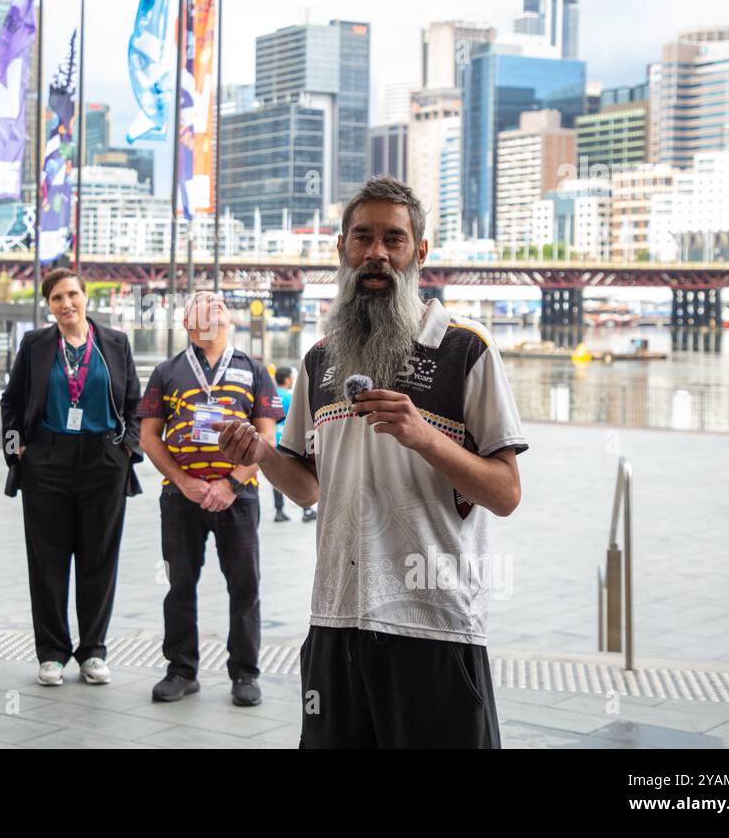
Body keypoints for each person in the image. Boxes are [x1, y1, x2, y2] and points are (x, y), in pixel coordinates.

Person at [218, 175, 527, 748]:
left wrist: (423, 436)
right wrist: (260, 453)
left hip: (433, 623)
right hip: (335, 619)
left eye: (394, 239)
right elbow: (307, 488)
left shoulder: (466, 348)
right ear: (342, 249)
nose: (376, 253)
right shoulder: (321, 359)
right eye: (362, 237)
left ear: (420, 253)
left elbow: (506, 492)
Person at [0, 268, 142, 687]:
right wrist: (15, 447)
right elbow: (11, 402)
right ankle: (52, 653)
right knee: (48, 560)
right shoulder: (36, 345)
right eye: (57, 298)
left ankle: (93, 651)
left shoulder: (115, 343)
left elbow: (135, 403)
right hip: (47, 459)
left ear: (85, 297)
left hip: (103, 459)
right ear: (49, 305)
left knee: (99, 557)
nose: (67, 304)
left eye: (72, 295)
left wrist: (127, 447)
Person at [137, 290, 280, 707]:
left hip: (239, 496)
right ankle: (181, 670)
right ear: (187, 323)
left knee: (244, 585)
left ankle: (245, 674)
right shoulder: (166, 372)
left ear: (229, 320)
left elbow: (268, 438)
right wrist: (183, 481)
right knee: (178, 584)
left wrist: (231, 484)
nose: (213, 304)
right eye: (201, 303)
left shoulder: (253, 369)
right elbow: (149, 436)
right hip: (181, 498)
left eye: (219, 303)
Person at [271, 367, 293, 523]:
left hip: (272, 438)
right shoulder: (289, 397)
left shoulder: (271, 396)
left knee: (275, 477)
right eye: (291, 378)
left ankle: (279, 510)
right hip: (285, 439)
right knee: (295, 474)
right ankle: (307, 509)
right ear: (286, 379)